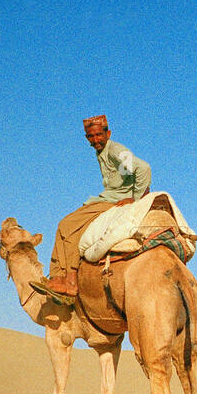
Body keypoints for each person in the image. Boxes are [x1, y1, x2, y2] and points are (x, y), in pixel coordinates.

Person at [36, 114, 151, 301]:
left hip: (113, 200)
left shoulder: (115, 150)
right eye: (91, 136)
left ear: (108, 134)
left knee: (66, 225)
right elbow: (127, 174)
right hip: (111, 197)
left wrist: (135, 199)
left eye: (99, 135)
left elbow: (143, 168)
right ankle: (60, 278)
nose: (95, 139)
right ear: (86, 138)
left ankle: (68, 280)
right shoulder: (103, 152)